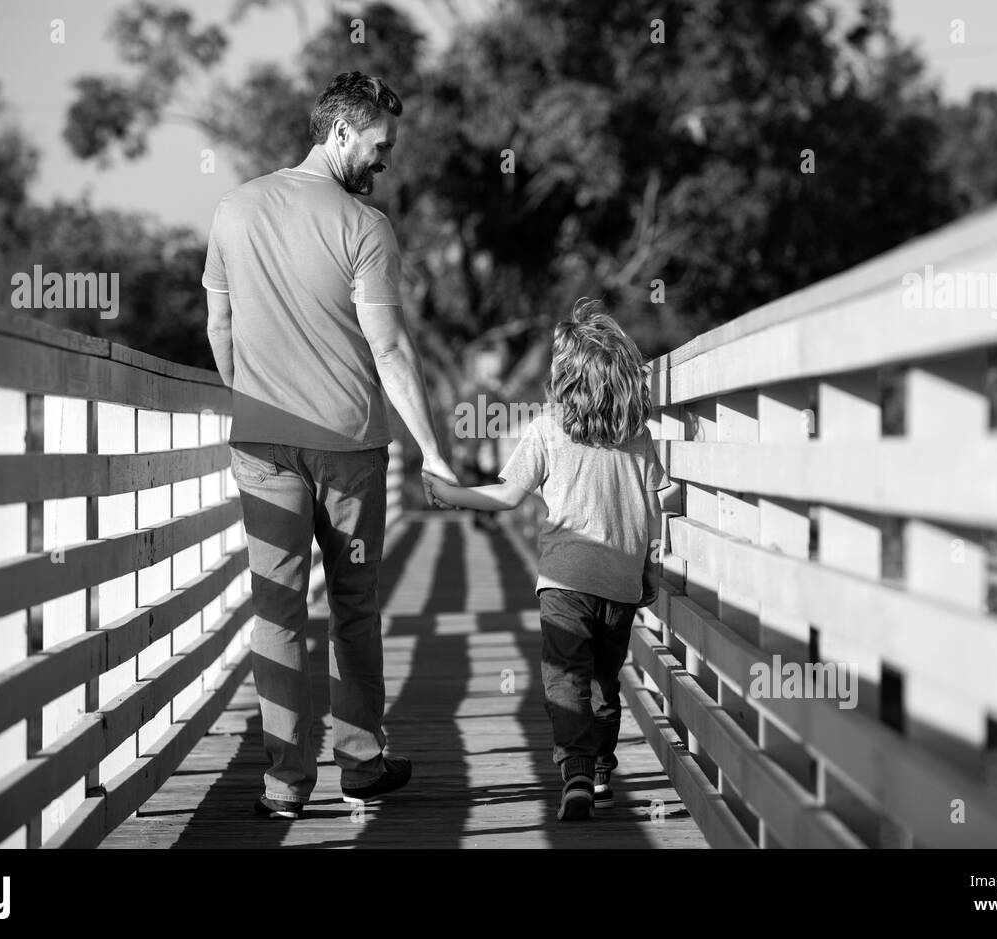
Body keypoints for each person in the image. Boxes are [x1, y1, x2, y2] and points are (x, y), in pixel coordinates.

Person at [203, 71, 458, 819]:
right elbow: (390, 349)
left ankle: (284, 784)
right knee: (354, 605)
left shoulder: (233, 208)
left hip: (262, 445)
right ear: (341, 132)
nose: (385, 161)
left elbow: (219, 330)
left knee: (277, 608)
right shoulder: (366, 227)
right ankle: (361, 759)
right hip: (348, 448)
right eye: (380, 145)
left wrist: (254, 400)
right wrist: (434, 452)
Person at [424, 299, 675, 821]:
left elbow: (506, 496)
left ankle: (577, 770)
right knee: (607, 681)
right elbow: (652, 510)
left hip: (563, 581)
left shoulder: (546, 428)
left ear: (563, 376)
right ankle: (602, 768)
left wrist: (453, 496)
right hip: (622, 582)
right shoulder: (639, 437)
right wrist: (650, 565)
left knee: (566, 678)